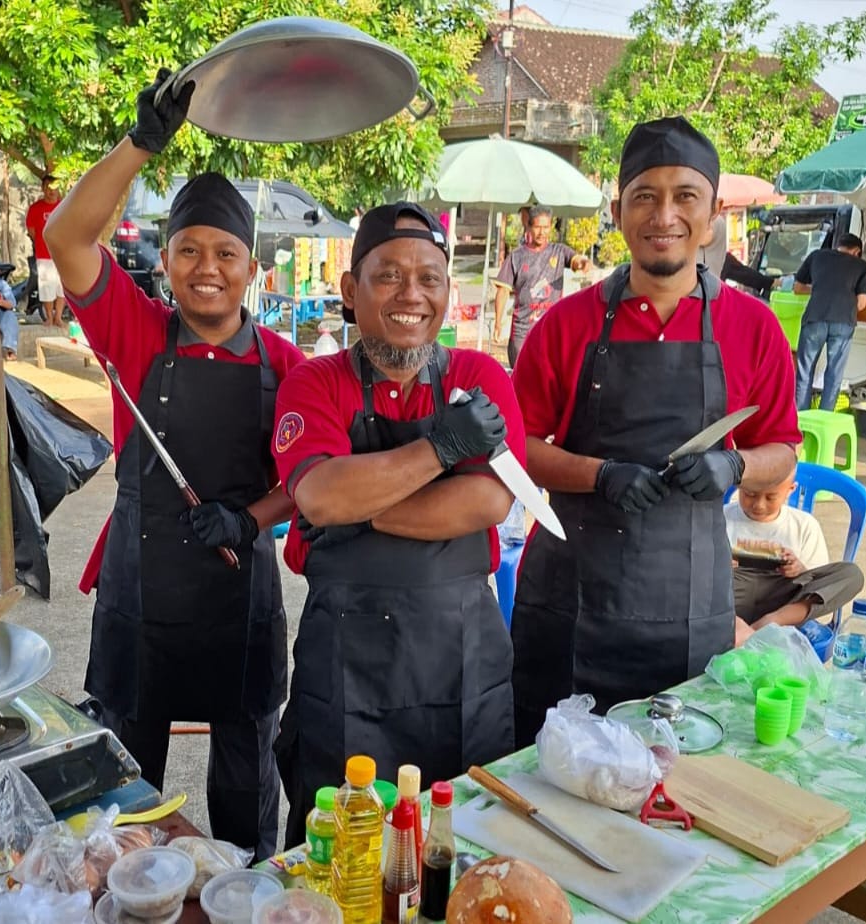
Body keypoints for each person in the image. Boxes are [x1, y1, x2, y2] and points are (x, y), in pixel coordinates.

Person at [42, 70, 305, 861]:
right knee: (126, 793)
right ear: (165, 260)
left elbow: (309, 479)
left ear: (252, 269)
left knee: (245, 788)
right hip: (141, 596)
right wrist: (142, 144)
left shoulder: (290, 362)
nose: (206, 267)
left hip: (240, 594)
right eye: (188, 249)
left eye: (226, 252)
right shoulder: (135, 331)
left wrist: (254, 515)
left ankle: (250, 894)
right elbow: (67, 237)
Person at [508, 116, 801, 739]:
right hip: (570, 602)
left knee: (678, 782)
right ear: (619, 211)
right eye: (645, 195)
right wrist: (600, 473)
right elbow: (516, 450)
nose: (663, 214)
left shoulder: (755, 328)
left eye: (684, 196)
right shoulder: (565, 324)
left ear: (713, 213)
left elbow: (782, 450)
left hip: (689, 611)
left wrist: (736, 465)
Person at [272, 203, 522, 846]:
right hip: (345, 663)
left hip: (463, 660)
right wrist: (440, 451)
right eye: (388, 276)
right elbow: (321, 495)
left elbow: (488, 504)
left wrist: (358, 503)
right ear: (352, 291)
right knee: (339, 855)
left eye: (430, 278)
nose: (412, 295)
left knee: (459, 846)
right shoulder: (313, 382)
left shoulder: (480, 377)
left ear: (449, 292)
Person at [726, 463, 864, 645]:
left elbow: (816, 580)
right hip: (731, 598)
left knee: (851, 574)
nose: (759, 505)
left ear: (790, 490)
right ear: (739, 486)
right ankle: (737, 627)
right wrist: (718, 565)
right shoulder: (721, 517)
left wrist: (798, 568)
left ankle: (773, 621)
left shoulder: (804, 524)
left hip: (784, 599)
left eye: (771, 497)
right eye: (750, 494)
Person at [493, 205, 589, 368]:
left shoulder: (559, 252)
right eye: (537, 227)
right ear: (529, 227)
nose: (542, 232)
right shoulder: (516, 257)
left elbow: (575, 260)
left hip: (551, 330)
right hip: (522, 332)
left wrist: (582, 263)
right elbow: (503, 291)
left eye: (546, 227)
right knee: (521, 379)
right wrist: (497, 322)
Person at [793, 233, 866, 412]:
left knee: (805, 371)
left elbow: (797, 288)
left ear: (838, 246)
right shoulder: (861, 265)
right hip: (843, 322)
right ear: (857, 251)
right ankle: (825, 417)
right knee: (834, 373)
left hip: (815, 318)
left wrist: (819, 288)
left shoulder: (817, 256)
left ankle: (800, 420)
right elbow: (861, 304)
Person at [26, 173, 67, 328]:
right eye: (48, 188)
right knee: (46, 287)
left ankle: (59, 317)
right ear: (43, 189)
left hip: (62, 255)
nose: (51, 191)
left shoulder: (64, 206)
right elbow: (31, 231)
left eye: (54, 188)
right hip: (44, 255)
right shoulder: (35, 208)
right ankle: (49, 317)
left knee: (61, 288)